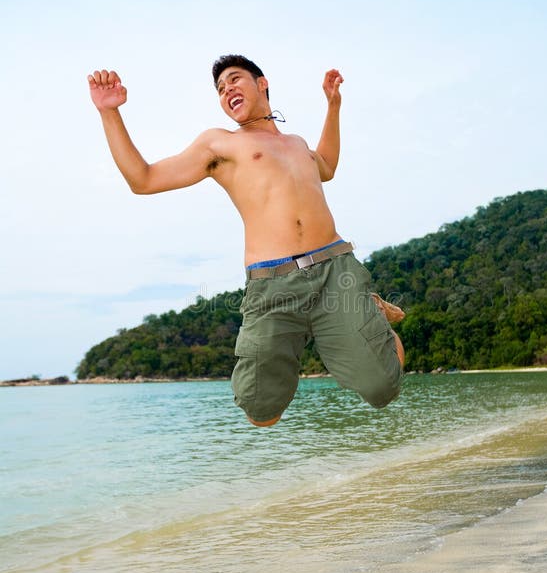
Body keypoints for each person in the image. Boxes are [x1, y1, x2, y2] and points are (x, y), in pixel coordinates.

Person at [88, 56, 405, 426]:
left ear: (262, 83)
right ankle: (365, 312)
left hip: (335, 267)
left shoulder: (297, 143)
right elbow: (143, 180)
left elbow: (328, 167)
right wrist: (109, 113)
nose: (227, 90)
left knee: (383, 389)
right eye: (221, 89)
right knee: (260, 412)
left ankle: (369, 313)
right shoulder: (220, 144)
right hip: (273, 285)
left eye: (235, 80)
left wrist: (333, 106)